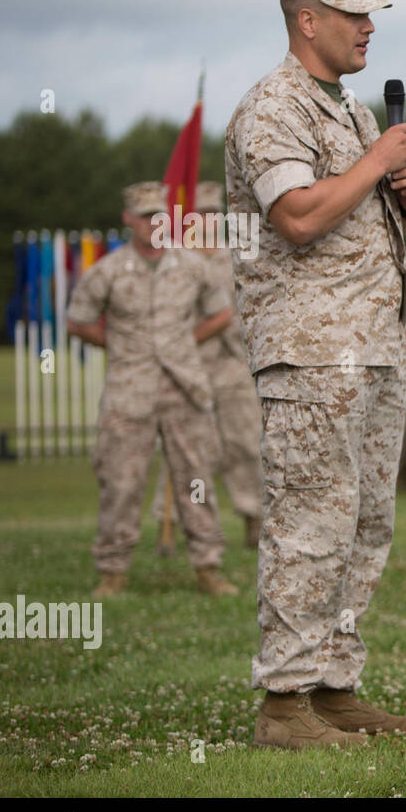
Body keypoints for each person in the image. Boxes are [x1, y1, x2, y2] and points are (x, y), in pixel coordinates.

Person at [226, 0, 406, 749]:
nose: (369, 26)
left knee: (362, 523)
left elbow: (346, 210)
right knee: (309, 521)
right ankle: (284, 705)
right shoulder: (273, 106)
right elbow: (299, 218)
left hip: (369, 346)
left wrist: (401, 194)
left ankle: (334, 686)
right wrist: (376, 163)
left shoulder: (344, 109)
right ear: (306, 20)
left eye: (371, 14)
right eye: (353, 14)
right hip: (312, 353)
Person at [66, 182, 236, 598]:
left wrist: (179, 345)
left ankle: (208, 566)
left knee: (196, 479)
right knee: (121, 482)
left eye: (158, 216)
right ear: (128, 219)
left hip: (185, 388)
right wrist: (121, 346)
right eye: (143, 216)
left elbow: (221, 314)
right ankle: (113, 570)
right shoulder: (107, 270)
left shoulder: (192, 266)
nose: (151, 223)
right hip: (130, 390)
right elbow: (79, 321)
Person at [151, 181, 264, 550]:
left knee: (244, 442)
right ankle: (170, 522)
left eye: (215, 214)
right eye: (200, 214)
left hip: (231, 361)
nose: (208, 220)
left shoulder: (239, 255)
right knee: (183, 446)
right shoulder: (174, 260)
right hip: (189, 363)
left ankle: (252, 517)